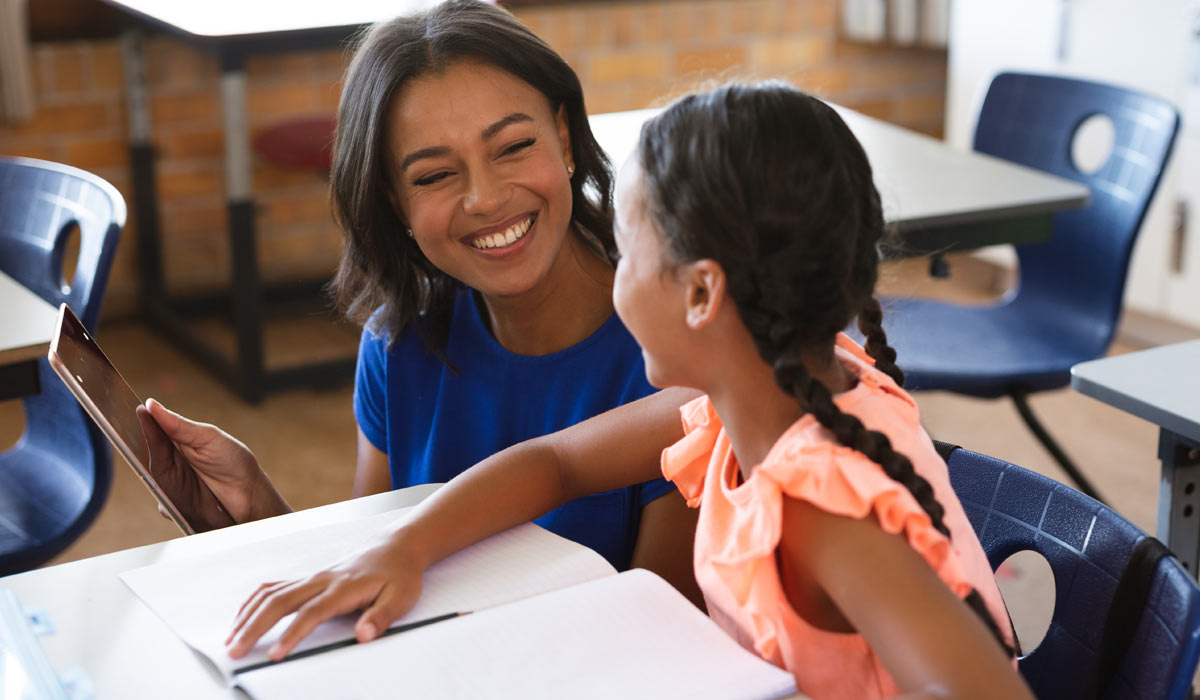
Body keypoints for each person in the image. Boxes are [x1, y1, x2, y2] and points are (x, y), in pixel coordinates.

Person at [219, 82, 1035, 699]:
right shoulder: (753, 402)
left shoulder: (824, 505)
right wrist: (402, 546)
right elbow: (552, 465)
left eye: (626, 244)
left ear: (701, 293)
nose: (609, 272)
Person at [139, 0, 699, 603]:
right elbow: (375, 562)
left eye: (512, 146)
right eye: (434, 176)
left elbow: (665, 629)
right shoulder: (398, 341)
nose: (484, 199)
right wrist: (256, 509)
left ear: (563, 137)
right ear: (393, 201)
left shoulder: (680, 351)